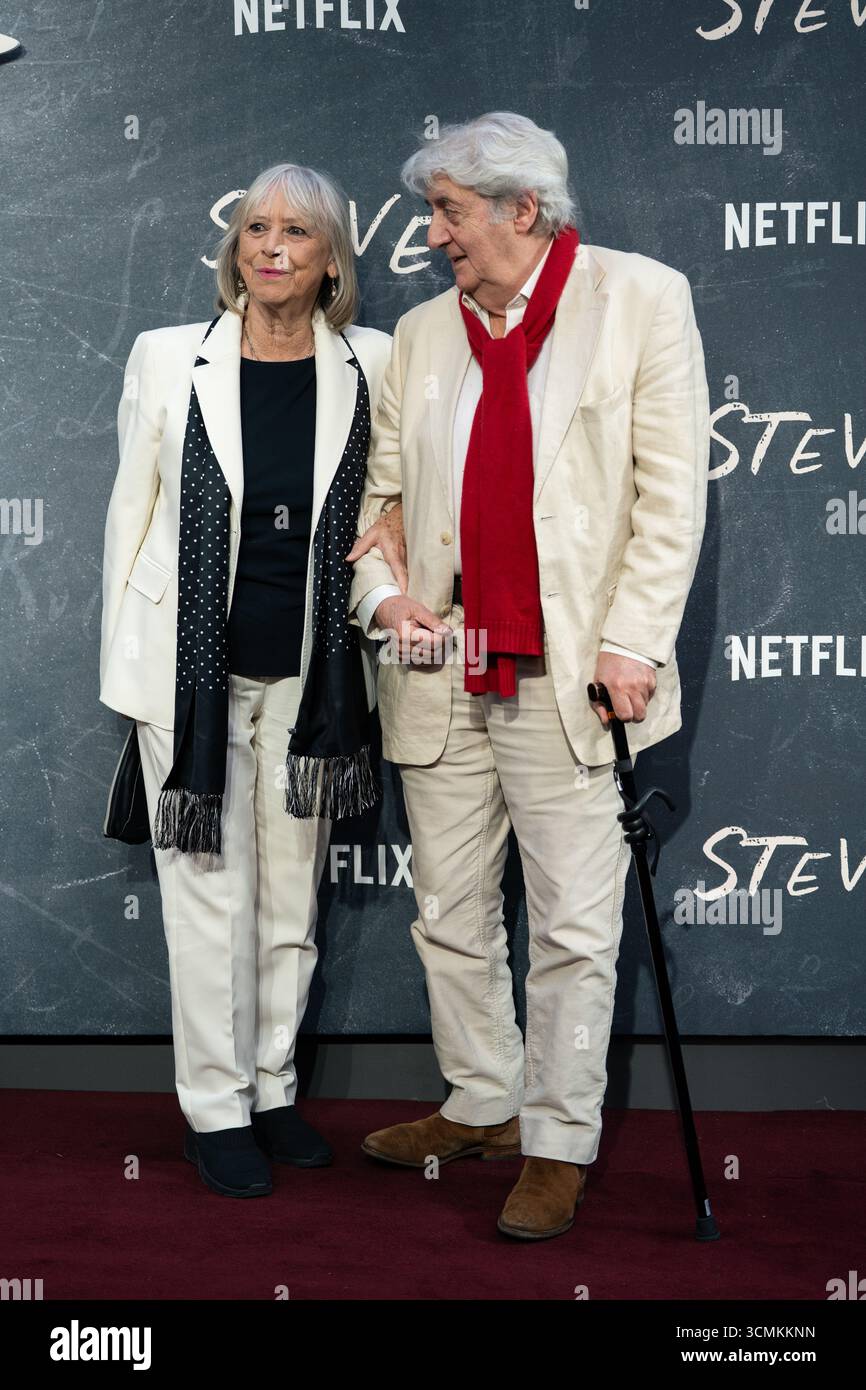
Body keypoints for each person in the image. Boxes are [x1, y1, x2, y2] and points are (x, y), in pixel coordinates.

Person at [346, 112, 710, 1240]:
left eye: (449, 211)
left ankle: (555, 1140)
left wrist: (633, 643)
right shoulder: (418, 332)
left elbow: (669, 495)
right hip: (441, 665)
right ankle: (482, 1102)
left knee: (568, 928)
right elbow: (381, 505)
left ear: (522, 208)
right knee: (449, 912)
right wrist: (384, 597)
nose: (432, 235)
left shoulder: (638, 299)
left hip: (572, 679)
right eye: (431, 213)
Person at [100, 162, 403, 1198]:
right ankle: (216, 1107)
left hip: (312, 676)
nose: (269, 246)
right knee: (206, 906)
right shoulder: (164, 357)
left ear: (329, 262)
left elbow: (382, 522)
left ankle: (272, 1088)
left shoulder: (375, 361)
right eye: (254, 228)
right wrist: (132, 681)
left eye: (296, 233)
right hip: (191, 682)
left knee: (288, 906)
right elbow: (127, 520)